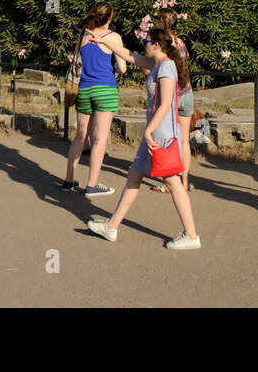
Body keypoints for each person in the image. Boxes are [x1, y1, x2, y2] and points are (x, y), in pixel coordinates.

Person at [85, 26, 200, 249]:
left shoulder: (166, 67)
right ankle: (111, 226)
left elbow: (166, 104)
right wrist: (102, 40)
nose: (143, 44)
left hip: (161, 135)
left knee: (173, 183)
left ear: (156, 45)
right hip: (155, 133)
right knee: (134, 176)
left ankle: (192, 235)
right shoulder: (157, 63)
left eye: (146, 40)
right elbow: (129, 55)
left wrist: (148, 131)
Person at [60, 2, 126, 197]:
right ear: (110, 17)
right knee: (99, 140)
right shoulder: (113, 37)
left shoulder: (84, 35)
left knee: (81, 137)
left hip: (84, 88)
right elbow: (122, 67)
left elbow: (77, 62)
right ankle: (92, 184)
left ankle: (68, 181)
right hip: (105, 89)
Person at [143, 9, 194, 194]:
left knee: (166, 138)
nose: (154, 21)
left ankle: (169, 181)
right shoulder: (180, 42)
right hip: (187, 92)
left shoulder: (163, 45)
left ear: (162, 22)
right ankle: (185, 180)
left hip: (172, 96)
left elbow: (155, 70)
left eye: (157, 19)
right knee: (184, 140)